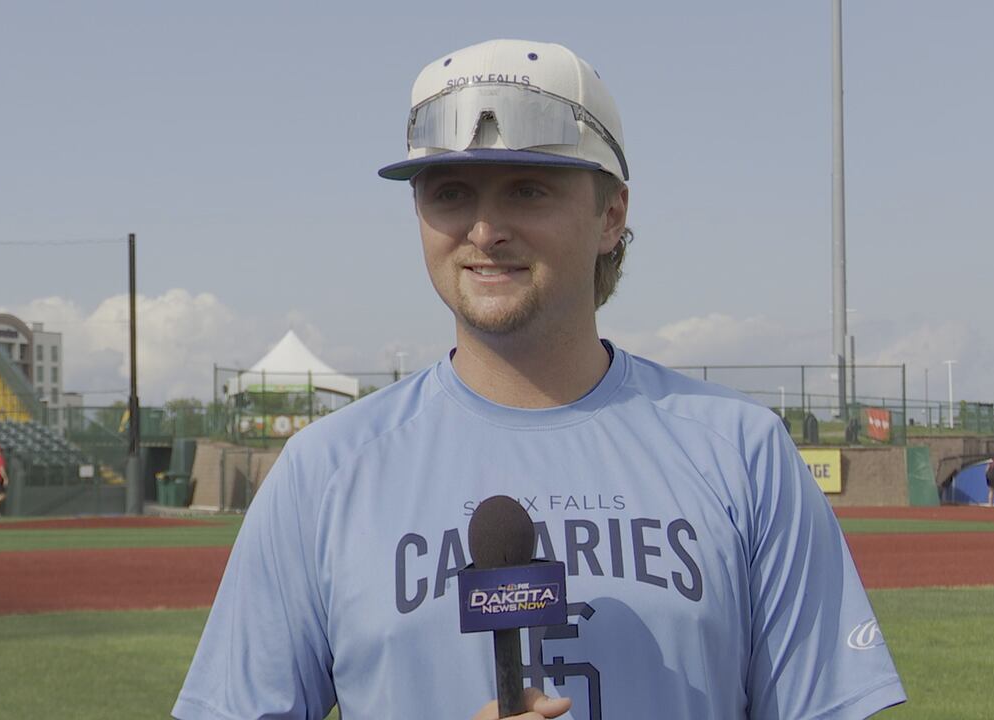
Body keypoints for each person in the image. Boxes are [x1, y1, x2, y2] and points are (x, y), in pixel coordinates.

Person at [173, 39, 905, 719]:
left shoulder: (742, 454)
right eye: (450, 192)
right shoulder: (325, 472)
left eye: (527, 190)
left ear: (611, 214)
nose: (484, 230)